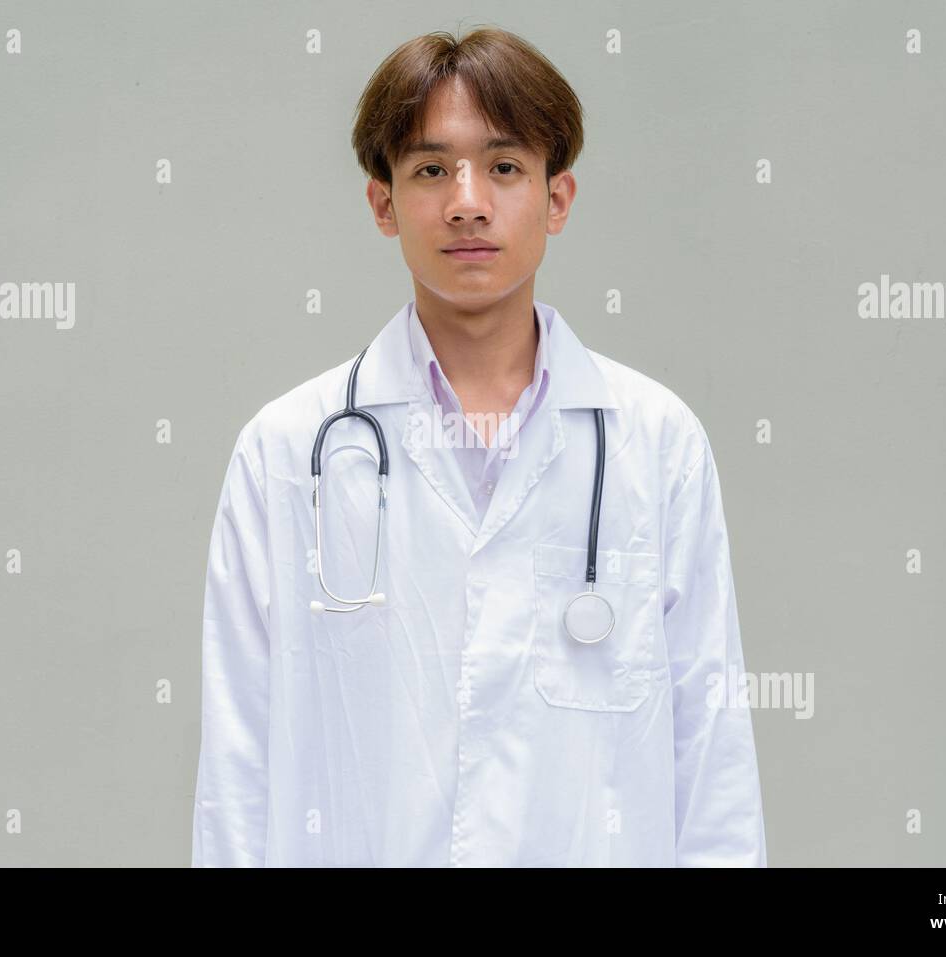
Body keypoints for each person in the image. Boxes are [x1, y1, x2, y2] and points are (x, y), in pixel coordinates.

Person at [191, 27, 766, 867]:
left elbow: (712, 758)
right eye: (430, 170)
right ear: (382, 204)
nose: (467, 201)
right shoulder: (287, 453)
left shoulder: (655, 443)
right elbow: (237, 763)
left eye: (503, 167)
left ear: (557, 198)